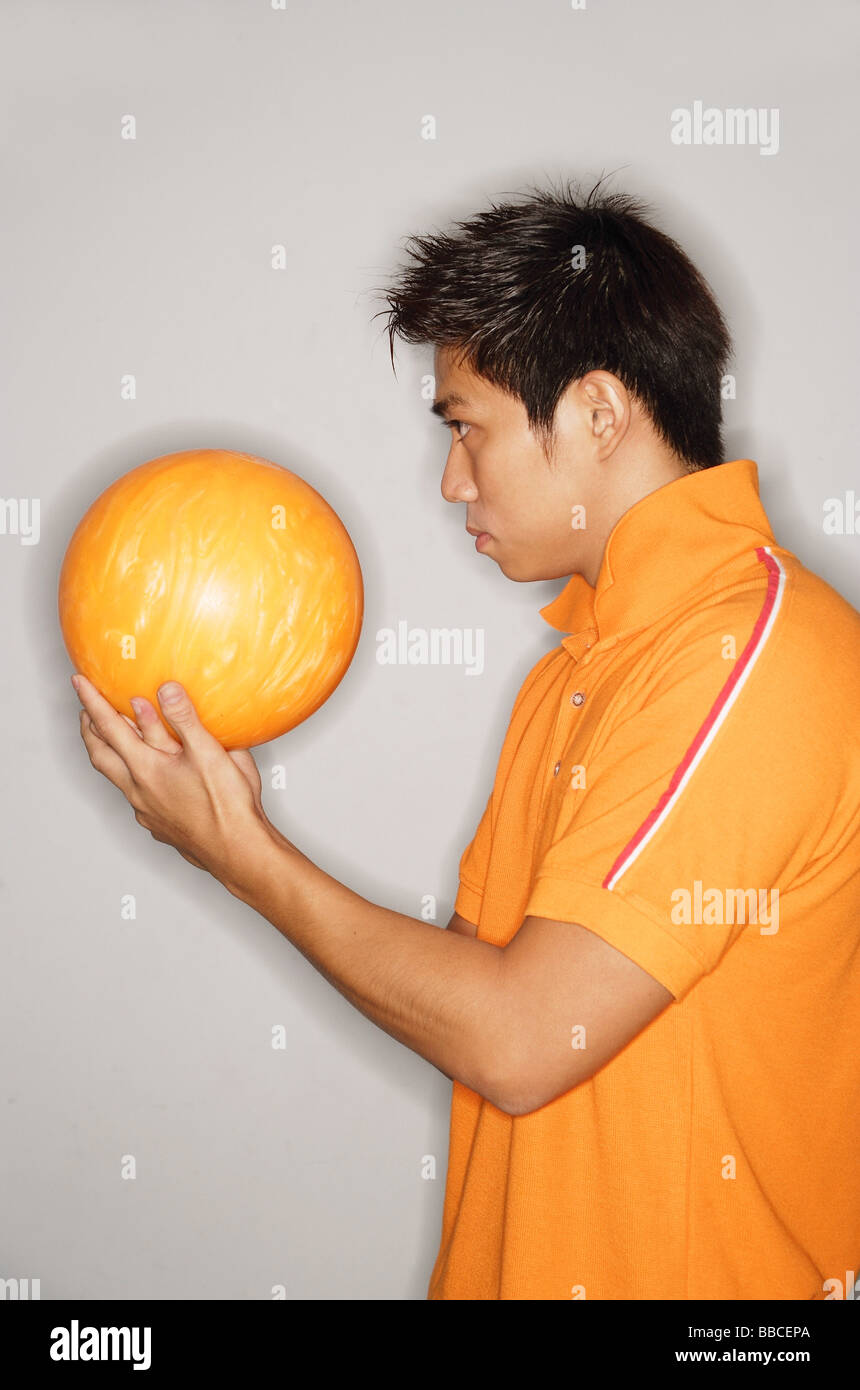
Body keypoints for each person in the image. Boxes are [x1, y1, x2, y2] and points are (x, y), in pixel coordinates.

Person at [74, 177, 860, 1301]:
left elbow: (523, 1038)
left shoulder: (750, 662)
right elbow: (485, 1004)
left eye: (466, 429)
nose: (450, 483)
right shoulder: (579, 668)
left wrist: (243, 854)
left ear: (597, 413)